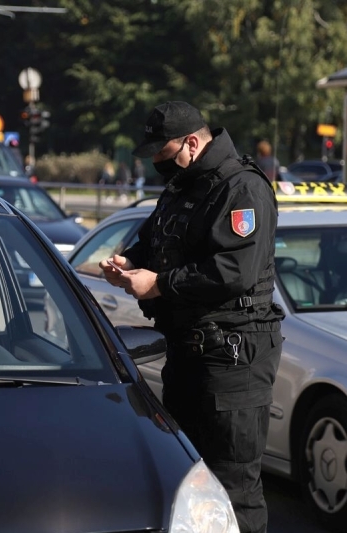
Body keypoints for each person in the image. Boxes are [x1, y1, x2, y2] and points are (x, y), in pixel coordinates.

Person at [99, 101, 284, 533]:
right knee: (186, 483)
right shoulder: (185, 184)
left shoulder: (242, 188)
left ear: (193, 142)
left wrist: (160, 284)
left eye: (163, 157)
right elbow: (156, 240)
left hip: (234, 360)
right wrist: (127, 262)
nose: (159, 167)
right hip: (188, 355)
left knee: (232, 488)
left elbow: (234, 271)